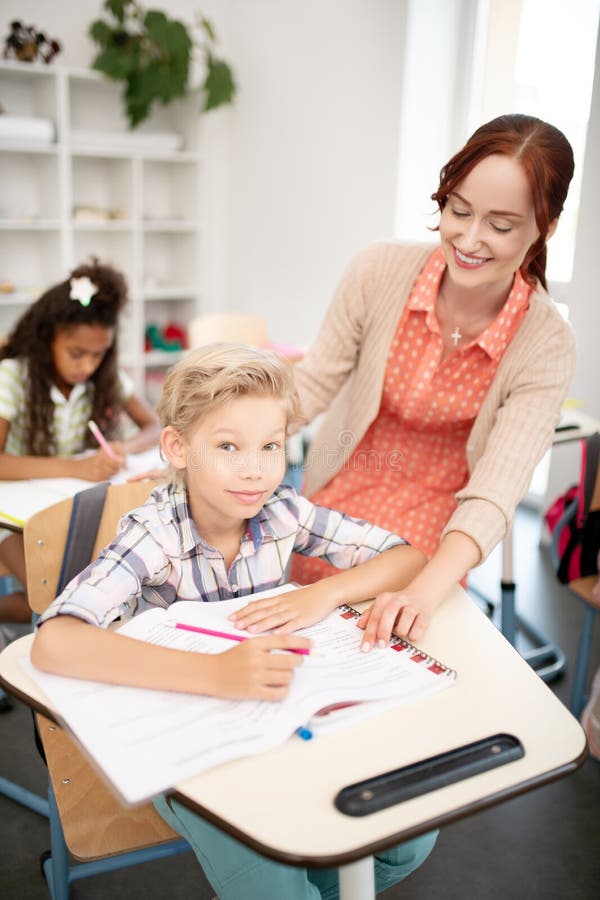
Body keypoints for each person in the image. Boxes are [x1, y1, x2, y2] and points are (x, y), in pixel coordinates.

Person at [31, 342, 434, 899]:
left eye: (270, 446)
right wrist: (216, 674)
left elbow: (406, 556)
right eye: (227, 446)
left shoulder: (283, 512)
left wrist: (325, 594)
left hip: (282, 725)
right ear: (178, 447)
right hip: (190, 745)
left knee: (410, 839)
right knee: (279, 882)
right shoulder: (155, 534)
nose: (254, 470)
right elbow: (54, 641)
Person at [287, 113, 576, 651]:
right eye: (458, 210)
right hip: (342, 487)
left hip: (439, 530)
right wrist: (215, 440)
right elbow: (310, 385)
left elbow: (496, 490)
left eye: (501, 226)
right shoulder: (377, 270)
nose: (469, 239)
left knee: (385, 647)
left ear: (547, 228)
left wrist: (423, 592)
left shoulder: (546, 342)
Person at [0, 259, 160, 622]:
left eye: (98, 355)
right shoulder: (12, 377)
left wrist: (124, 448)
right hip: (11, 519)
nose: (87, 366)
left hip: (69, 510)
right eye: (76, 353)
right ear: (47, 340)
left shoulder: (103, 378)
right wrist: (76, 468)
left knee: (85, 597)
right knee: (56, 602)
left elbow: (153, 426)